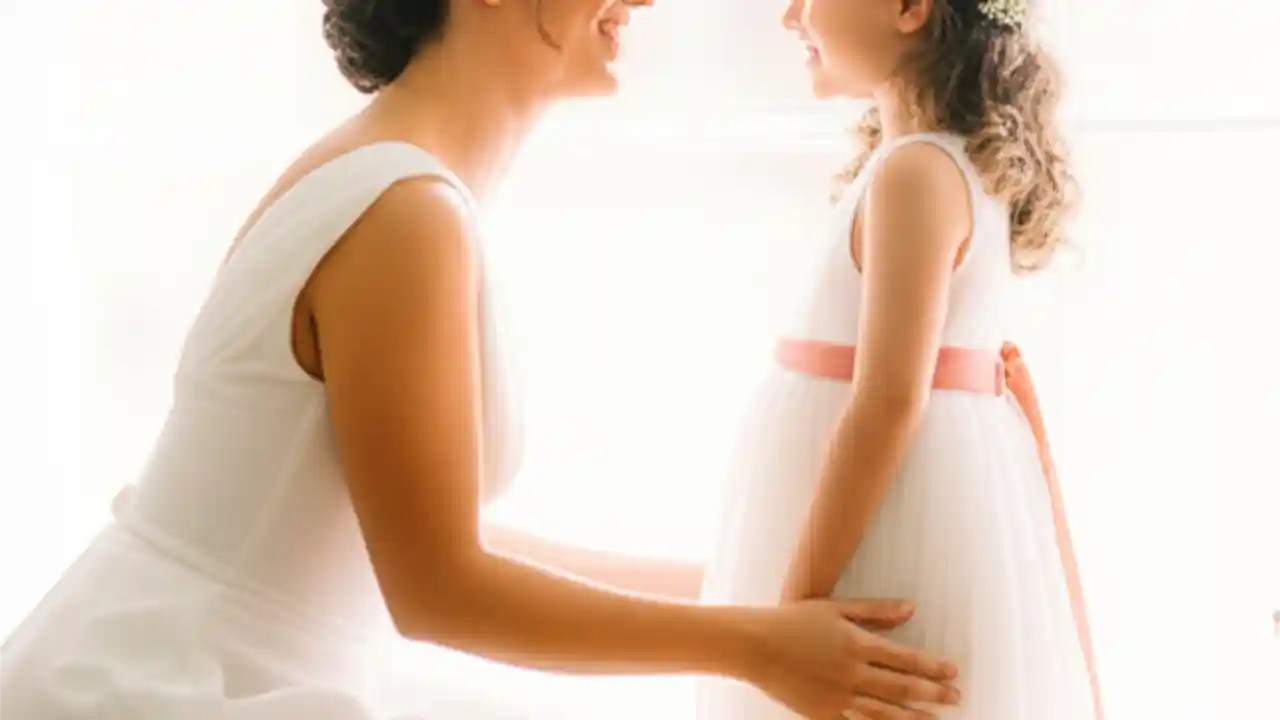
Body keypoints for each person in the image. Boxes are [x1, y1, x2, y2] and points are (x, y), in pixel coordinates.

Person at [0, 2, 960, 718]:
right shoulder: (404, 210)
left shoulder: (404, 182)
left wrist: (744, 587)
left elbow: (423, 540)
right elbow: (439, 590)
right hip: (167, 685)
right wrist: (751, 646)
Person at [697, 0, 1103, 718]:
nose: (790, 15)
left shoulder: (917, 171)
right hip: (906, 502)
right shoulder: (928, 165)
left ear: (910, 9)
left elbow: (888, 400)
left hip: (886, 517)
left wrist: (792, 608)